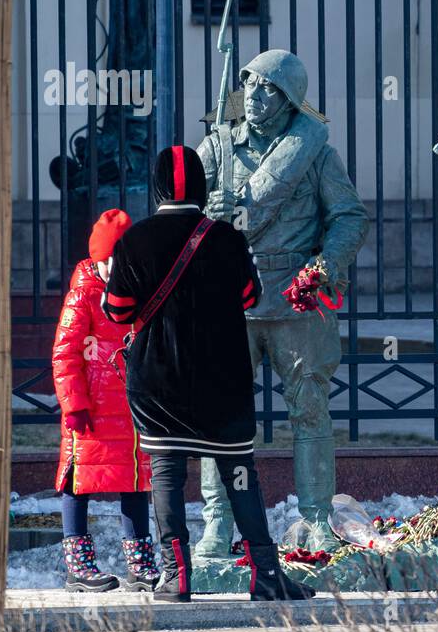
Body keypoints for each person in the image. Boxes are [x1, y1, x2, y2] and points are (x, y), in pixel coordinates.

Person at [105, 146, 314, 601]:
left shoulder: (134, 241)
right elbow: (250, 298)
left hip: (160, 383)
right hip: (224, 382)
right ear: (200, 185)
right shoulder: (226, 238)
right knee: (239, 473)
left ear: (158, 186)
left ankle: (176, 576)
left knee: (167, 473)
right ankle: (266, 574)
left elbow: (118, 312)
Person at [197, 49, 368, 554]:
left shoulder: (314, 152)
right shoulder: (217, 149)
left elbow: (350, 218)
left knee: (310, 411)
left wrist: (325, 265)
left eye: (268, 88)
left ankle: (316, 518)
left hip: (297, 302)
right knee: (220, 419)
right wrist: (210, 210)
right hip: (231, 300)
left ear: (291, 100)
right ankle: (217, 525)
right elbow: (174, 213)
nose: (253, 95)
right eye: (249, 84)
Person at [51, 209, 156, 592]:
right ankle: (79, 566)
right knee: (78, 483)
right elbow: (65, 353)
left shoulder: (138, 291)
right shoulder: (84, 293)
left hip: (129, 410)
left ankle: (141, 565)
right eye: (113, 261)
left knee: (134, 483)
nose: (119, 269)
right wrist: (74, 403)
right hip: (90, 411)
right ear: (99, 260)